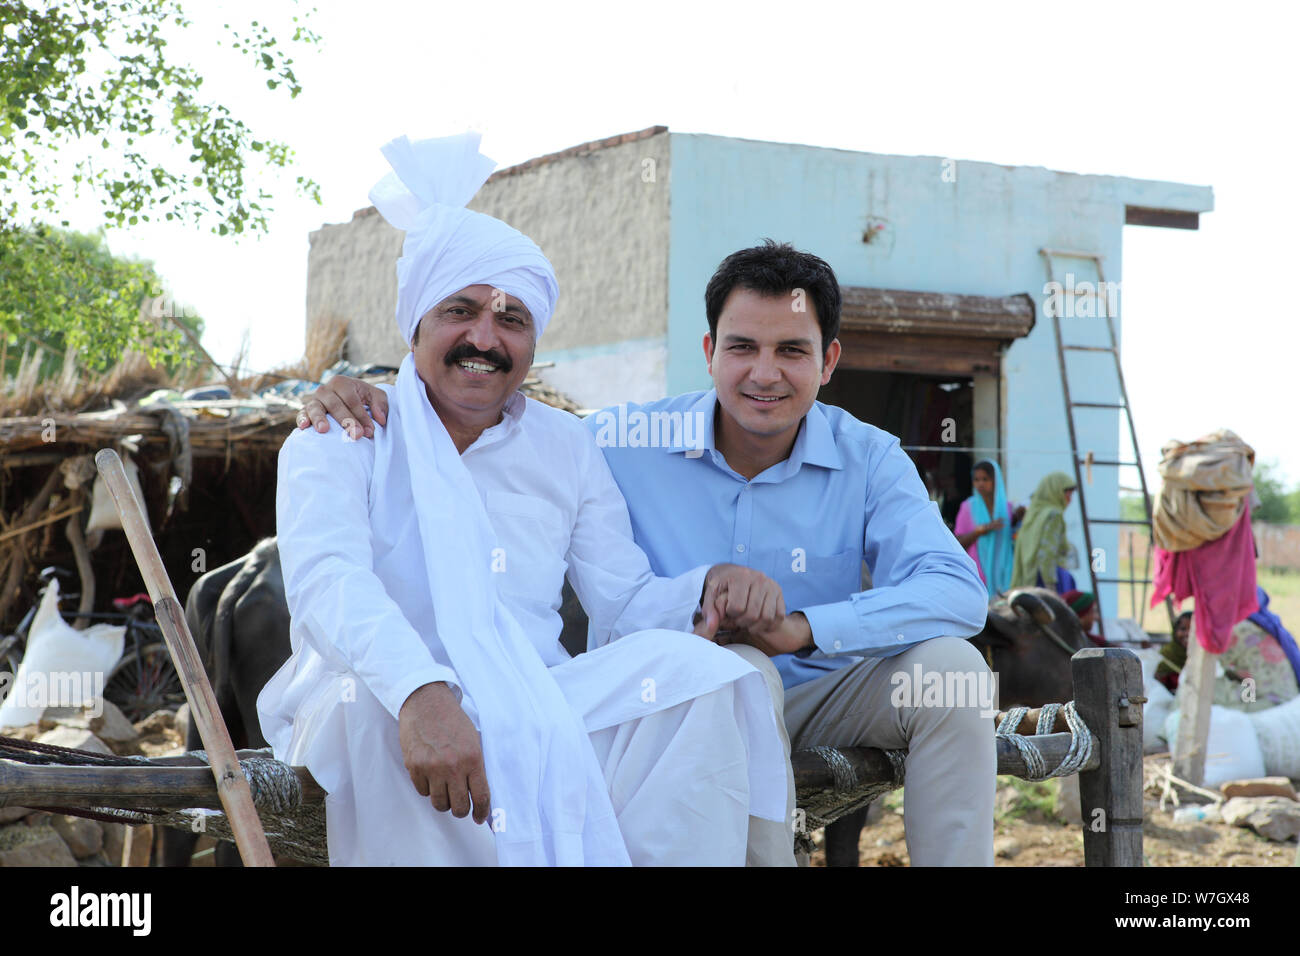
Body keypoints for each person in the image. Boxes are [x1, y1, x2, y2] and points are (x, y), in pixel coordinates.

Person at [304, 239, 996, 866]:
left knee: (955, 673)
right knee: (733, 666)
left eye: (791, 350)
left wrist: (805, 628)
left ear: (829, 361)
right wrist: (356, 390)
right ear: (710, 352)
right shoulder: (608, 441)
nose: (765, 373)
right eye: (743, 347)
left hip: (825, 688)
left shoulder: (869, 456)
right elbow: (469, 431)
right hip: (696, 697)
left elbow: (957, 589)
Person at [258, 132, 792, 866]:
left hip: (536, 693)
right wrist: (420, 690)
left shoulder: (566, 445)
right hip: (376, 694)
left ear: (533, 343)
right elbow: (329, 582)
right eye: (460, 310)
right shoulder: (344, 433)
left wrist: (706, 590)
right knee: (374, 717)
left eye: (511, 319)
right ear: (415, 326)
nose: (484, 338)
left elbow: (624, 599)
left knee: (700, 679)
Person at [953, 459, 1022, 597]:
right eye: (976, 479)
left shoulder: (1007, 508)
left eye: (985, 479)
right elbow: (957, 543)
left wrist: (1018, 518)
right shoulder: (968, 507)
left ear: (996, 481)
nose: (980, 484)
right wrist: (980, 531)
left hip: (1005, 572)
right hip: (978, 572)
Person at [1010, 471, 1079, 592]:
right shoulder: (1054, 515)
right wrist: (1051, 587)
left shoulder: (1033, 514)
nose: (1070, 500)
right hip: (1048, 578)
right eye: (1068, 494)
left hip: (1029, 577)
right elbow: (1047, 553)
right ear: (1056, 492)